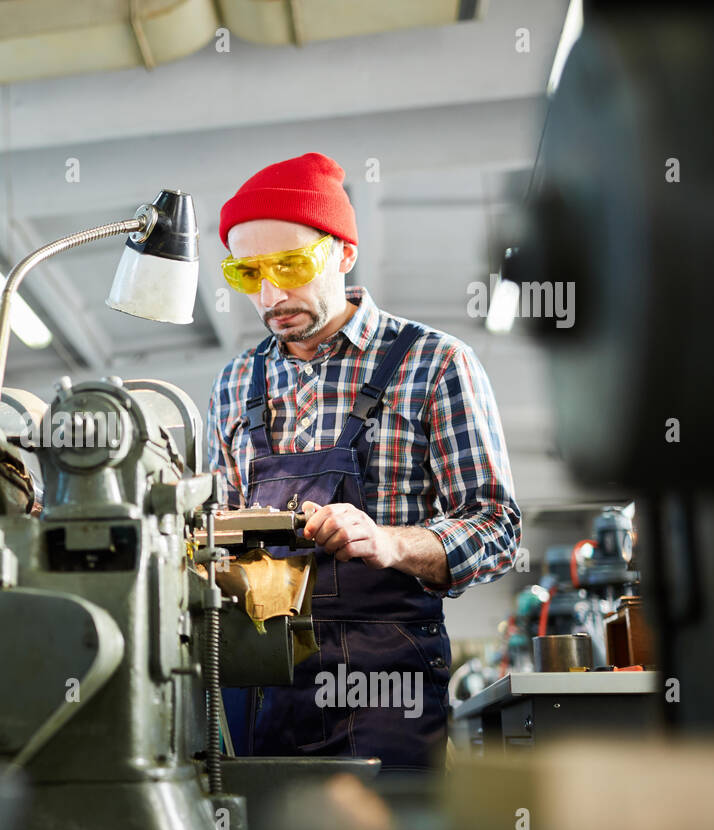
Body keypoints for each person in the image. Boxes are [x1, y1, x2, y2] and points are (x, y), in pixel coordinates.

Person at [208, 152, 520, 771]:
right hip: (264, 688)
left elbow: (498, 531)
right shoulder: (235, 381)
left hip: (386, 690)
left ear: (343, 252)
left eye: (291, 266)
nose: (272, 294)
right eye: (249, 274)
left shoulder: (434, 364)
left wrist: (389, 543)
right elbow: (219, 533)